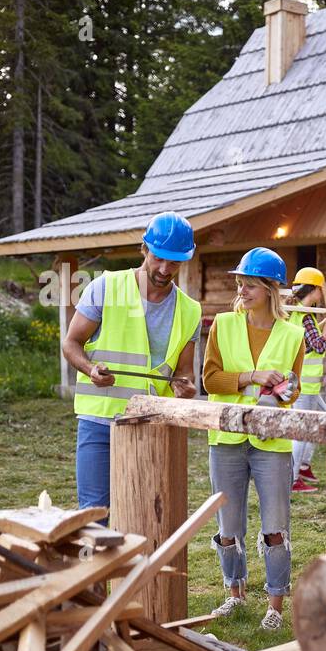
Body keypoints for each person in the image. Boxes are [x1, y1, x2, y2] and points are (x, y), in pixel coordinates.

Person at [62, 211, 200, 509]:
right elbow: (71, 343)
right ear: (144, 250)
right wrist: (89, 369)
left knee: (143, 512)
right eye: (158, 258)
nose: (165, 269)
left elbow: (185, 372)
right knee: (95, 515)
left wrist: (186, 387)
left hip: (151, 424)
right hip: (100, 422)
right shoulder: (105, 288)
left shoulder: (190, 311)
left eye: (174, 262)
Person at [201, 247, 305, 632]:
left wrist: (278, 389)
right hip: (226, 436)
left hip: (271, 443)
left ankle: (275, 604)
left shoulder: (294, 335)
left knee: (275, 526)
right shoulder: (223, 325)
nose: (241, 290)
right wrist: (251, 377)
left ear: (270, 289)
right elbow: (210, 379)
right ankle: (235, 593)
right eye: (240, 283)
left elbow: (293, 389)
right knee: (228, 525)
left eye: (250, 285)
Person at [286, 267, 326, 494]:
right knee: (302, 432)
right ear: (313, 289)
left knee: (322, 419)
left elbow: (309, 338)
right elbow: (319, 345)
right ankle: (292, 479)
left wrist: (322, 323)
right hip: (306, 385)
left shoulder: (298, 313)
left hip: (302, 383)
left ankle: (302, 468)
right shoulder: (305, 316)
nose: (322, 294)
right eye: (320, 289)